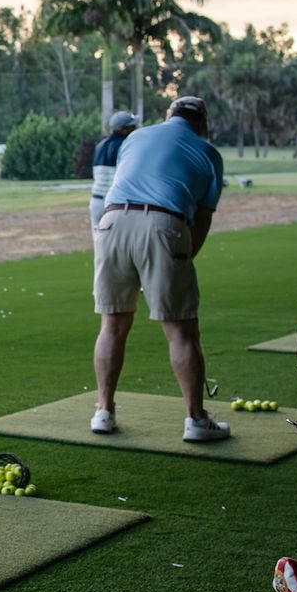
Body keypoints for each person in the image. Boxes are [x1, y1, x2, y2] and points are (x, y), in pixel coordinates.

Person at [90, 95, 230, 443]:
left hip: (110, 224)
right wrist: (182, 259)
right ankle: (196, 421)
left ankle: (103, 412)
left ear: (168, 115)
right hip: (164, 226)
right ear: (202, 123)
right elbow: (202, 220)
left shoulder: (135, 137)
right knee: (182, 331)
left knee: (112, 324)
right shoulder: (209, 152)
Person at [90, 111, 139, 229]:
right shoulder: (125, 145)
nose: (135, 129)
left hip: (96, 200)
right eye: (132, 127)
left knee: (100, 244)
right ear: (123, 130)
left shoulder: (100, 146)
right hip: (115, 203)